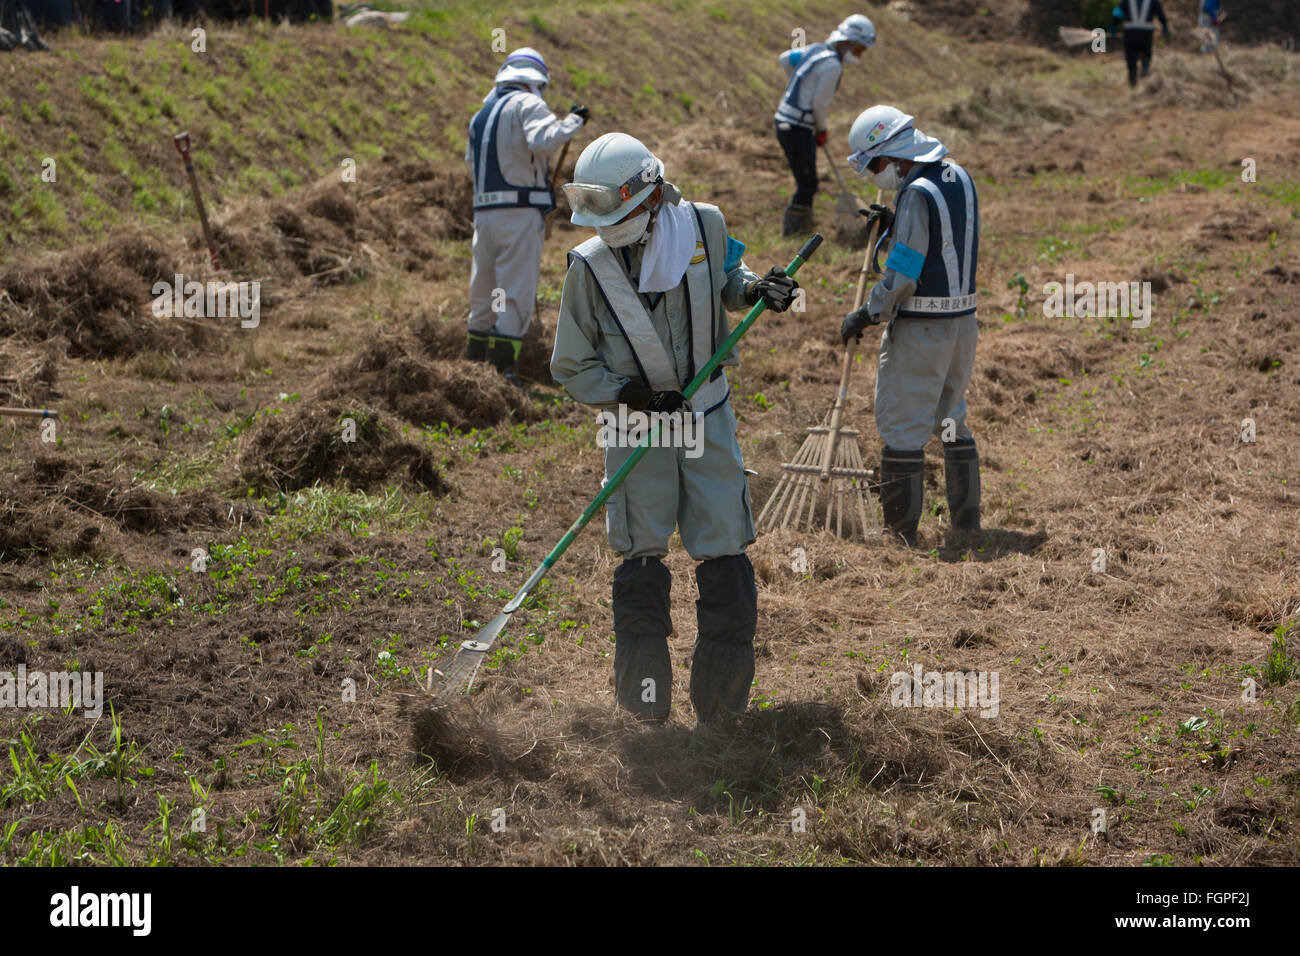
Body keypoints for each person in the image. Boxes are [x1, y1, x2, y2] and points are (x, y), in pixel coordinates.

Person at [549, 132, 799, 725]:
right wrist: (625, 394)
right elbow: (570, 362)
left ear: (653, 195)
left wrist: (756, 289)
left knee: (723, 546)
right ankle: (644, 711)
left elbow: (729, 276)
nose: (609, 231)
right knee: (640, 551)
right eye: (600, 221)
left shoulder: (704, 226)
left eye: (621, 217)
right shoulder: (588, 269)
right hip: (637, 430)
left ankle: (721, 707)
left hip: (705, 419)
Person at [840, 106, 981, 547]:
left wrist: (869, 311)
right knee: (950, 418)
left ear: (892, 153)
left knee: (902, 425)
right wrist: (895, 224)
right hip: (962, 323)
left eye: (877, 165)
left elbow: (904, 273)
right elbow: (946, 238)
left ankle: (899, 537)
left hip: (922, 327)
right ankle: (967, 525)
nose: (877, 175)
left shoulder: (916, 193)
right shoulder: (958, 176)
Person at [466, 47, 590, 385]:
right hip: (518, 216)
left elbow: (470, 165)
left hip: (484, 216)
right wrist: (574, 120)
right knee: (514, 293)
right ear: (537, 81)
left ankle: (471, 366)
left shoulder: (481, 115)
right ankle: (502, 372)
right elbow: (546, 140)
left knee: (484, 290)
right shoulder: (528, 104)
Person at [773, 14, 875, 237]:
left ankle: (804, 225)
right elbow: (820, 104)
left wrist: (799, 85)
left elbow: (784, 58)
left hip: (785, 122)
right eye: (860, 48)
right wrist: (821, 129)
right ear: (849, 42)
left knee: (806, 179)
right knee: (808, 183)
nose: (860, 54)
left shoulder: (816, 49)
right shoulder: (832, 66)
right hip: (797, 127)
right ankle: (793, 233)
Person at [1110, 0, 1171, 87]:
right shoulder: (1153, 1)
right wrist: (1165, 26)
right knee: (1146, 53)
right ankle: (1145, 69)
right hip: (1146, 35)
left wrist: (1113, 25)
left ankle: (1132, 78)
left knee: (1131, 58)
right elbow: (1160, 13)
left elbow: (1117, 13)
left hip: (1130, 34)